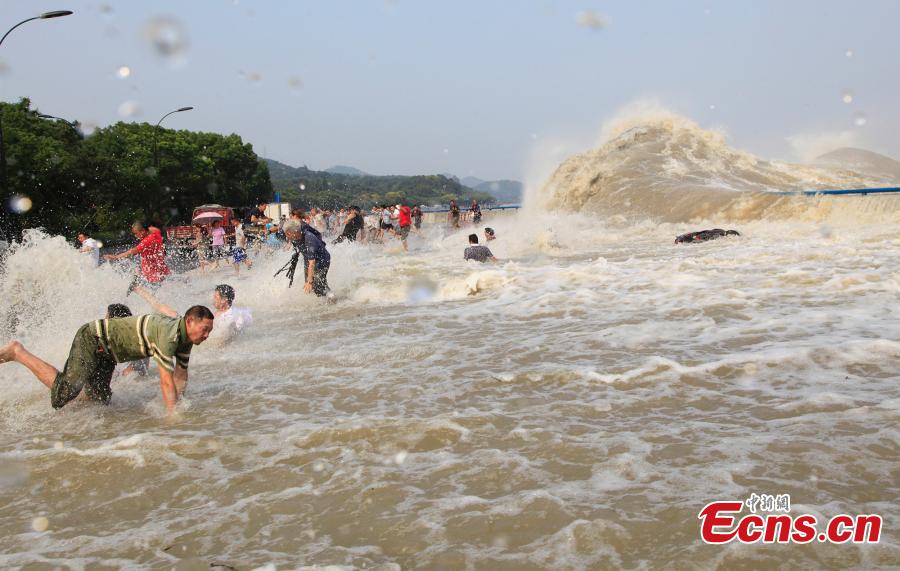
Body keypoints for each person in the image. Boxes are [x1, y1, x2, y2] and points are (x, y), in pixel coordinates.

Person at [0, 306, 214, 414]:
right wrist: (172, 417)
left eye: (209, 331)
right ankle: (18, 352)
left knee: (99, 402)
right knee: (64, 393)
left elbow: (180, 374)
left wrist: (180, 405)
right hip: (93, 338)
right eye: (204, 330)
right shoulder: (169, 335)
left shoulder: (185, 339)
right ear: (189, 321)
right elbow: (166, 381)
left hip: (108, 352)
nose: (206, 335)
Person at [135, 284, 252, 341]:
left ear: (224, 300)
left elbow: (221, 339)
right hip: (194, 330)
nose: (213, 299)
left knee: (172, 314)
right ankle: (139, 290)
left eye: (215, 297)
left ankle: (138, 289)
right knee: (170, 312)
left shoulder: (230, 317)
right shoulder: (222, 312)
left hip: (194, 335)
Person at [104, 221, 171, 293]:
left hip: (152, 277)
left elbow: (132, 252)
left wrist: (116, 257)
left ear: (143, 231)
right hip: (161, 271)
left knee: (147, 295)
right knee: (136, 272)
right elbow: (152, 228)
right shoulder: (156, 232)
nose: (135, 236)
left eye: (136, 233)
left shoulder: (146, 242)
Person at [285, 209, 331, 296]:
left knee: (318, 283)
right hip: (308, 257)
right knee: (310, 283)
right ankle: (318, 300)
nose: (287, 236)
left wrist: (317, 246)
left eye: (292, 216)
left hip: (321, 259)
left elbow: (316, 235)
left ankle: (331, 298)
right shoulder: (293, 227)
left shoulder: (302, 227)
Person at [106, 303, 148, 377]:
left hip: (132, 380)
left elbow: (133, 372)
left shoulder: (133, 342)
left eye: (107, 317)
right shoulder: (138, 336)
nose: (104, 321)